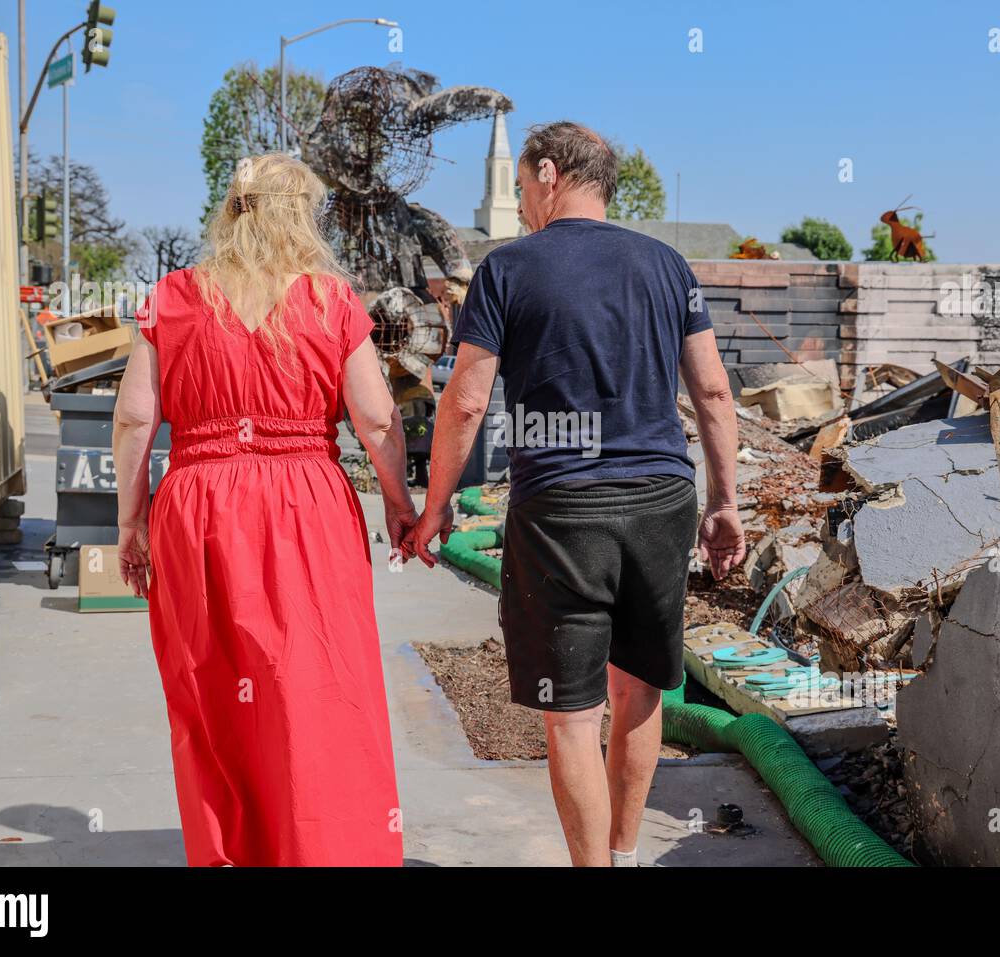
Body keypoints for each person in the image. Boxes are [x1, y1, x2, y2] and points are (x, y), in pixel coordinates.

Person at [406, 121, 746, 867]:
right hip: (661, 500)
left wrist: (433, 510)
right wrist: (724, 501)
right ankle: (625, 857)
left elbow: (464, 401)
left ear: (549, 173)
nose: (524, 202)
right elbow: (715, 392)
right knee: (642, 691)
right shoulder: (667, 266)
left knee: (570, 712)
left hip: (562, 508)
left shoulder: (508, 268)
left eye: (525, 186)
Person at [113, 153, 415, 866]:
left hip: (197, 504)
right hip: (303, 502)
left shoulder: (174, 295)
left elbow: (132, 419)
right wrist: (400, 503)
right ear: (298, 215)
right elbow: (376, 421)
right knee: (313, 686)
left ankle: (232, 850)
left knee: (210, 689)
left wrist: (130, 522)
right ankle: (322, 847)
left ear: (234, 210)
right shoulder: (330, 300)